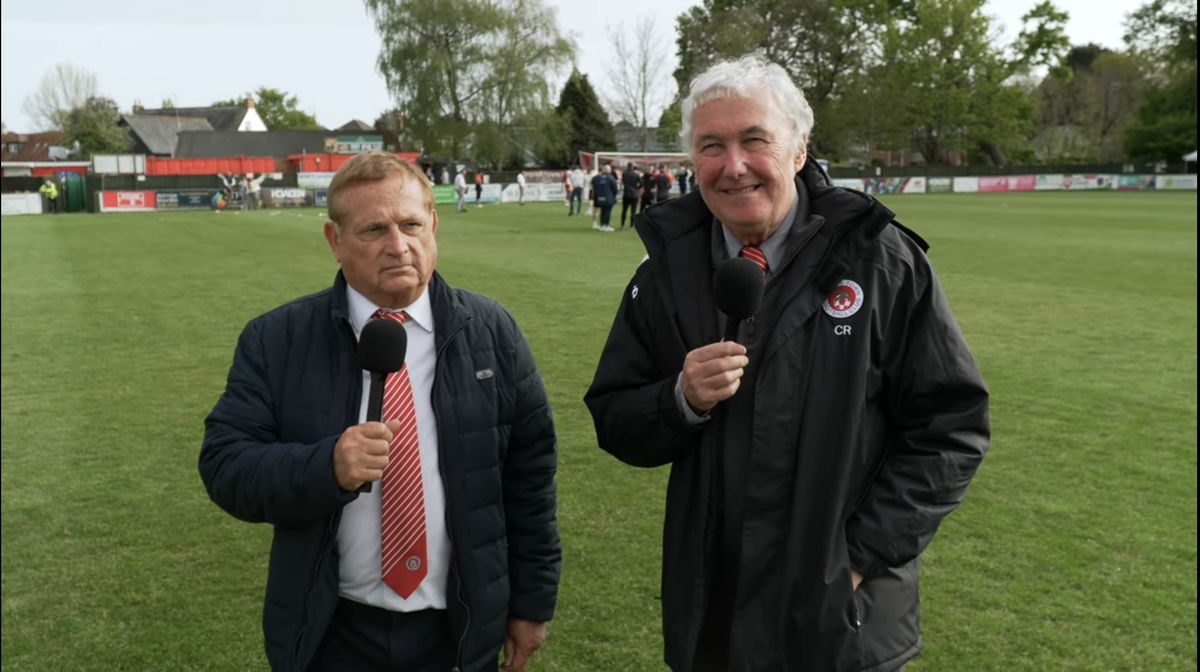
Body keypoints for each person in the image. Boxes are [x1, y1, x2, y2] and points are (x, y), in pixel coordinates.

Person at [584, 55, 989, 672]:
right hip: (712, 621)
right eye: (712, 146)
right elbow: (615, 416)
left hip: (844, 626)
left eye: (755, 140)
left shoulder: (881, 261)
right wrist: (680, 400)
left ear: (799, 149)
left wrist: (855, 559)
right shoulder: (663, 273)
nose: (733, 165)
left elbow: (951, 429)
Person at [200, 151, 561, 672]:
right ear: (335, 241)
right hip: (331, 630)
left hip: (458, 628)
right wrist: (327, 467)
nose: (398, 245)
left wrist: (532, 603)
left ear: (433, 225)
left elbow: (531, 479)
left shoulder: (491, 331)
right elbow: (225, 466)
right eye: (373, 230)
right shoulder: (277, 339)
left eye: (411, 225)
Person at [590, 164, 619, 232]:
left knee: (602, 212)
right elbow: (615, 188)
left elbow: (593, 185)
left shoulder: (597, 178)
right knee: (607, 212)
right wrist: (614, 195)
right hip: (609, 197)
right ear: (609, 170)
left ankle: (602, 225)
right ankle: (606, 225)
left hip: (599, 198)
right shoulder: (611, 178)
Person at [619, 163, 641, 230]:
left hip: (626, 194)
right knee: (633, 211)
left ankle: (622, 225)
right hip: (634, 194)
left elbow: (623, 182)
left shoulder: (624, 173)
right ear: (633, 167)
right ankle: (632, 226)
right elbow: (641, 183)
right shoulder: (636, 174)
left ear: (627, 166)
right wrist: (637, 188)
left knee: (624, 210)